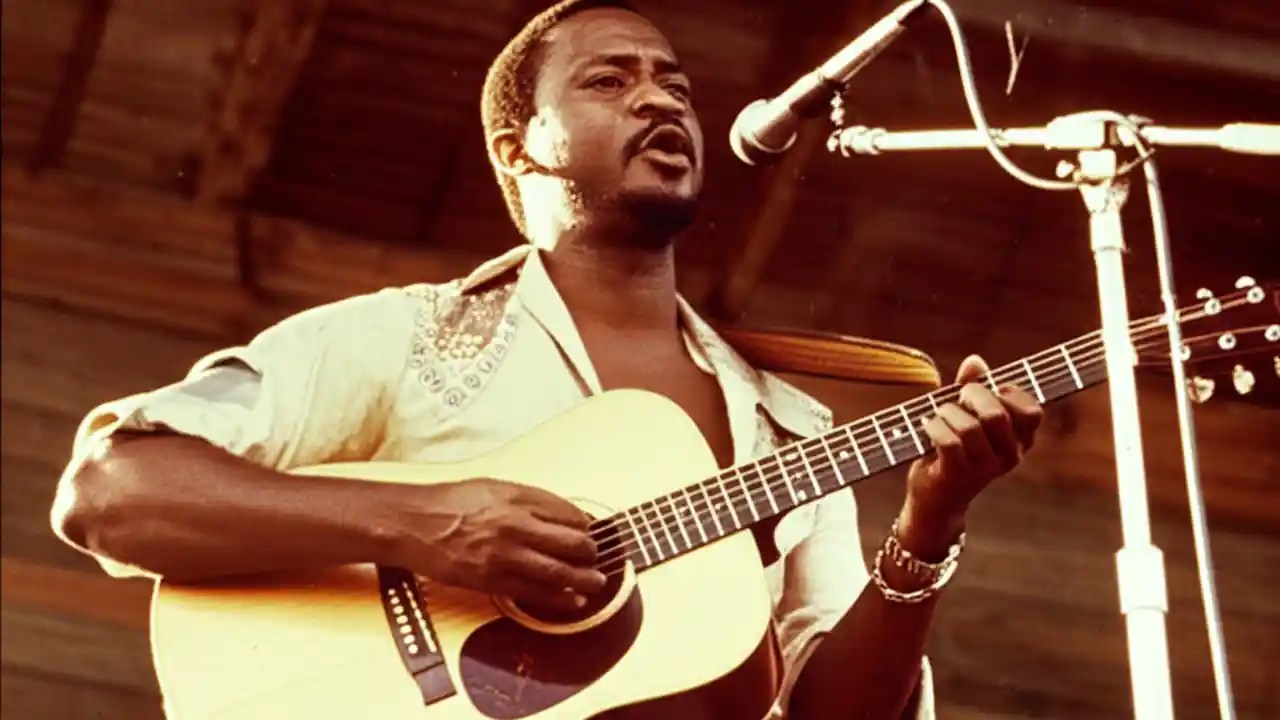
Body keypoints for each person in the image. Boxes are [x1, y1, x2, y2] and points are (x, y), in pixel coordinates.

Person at [50, 1, 1043, 718]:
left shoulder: (789, 427)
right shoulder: (410, 336)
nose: (659, 100)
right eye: (610, 80)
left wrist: (929, 520)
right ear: (517, 150)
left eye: (673, 83)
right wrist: (421, 525)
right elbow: (111, 488)